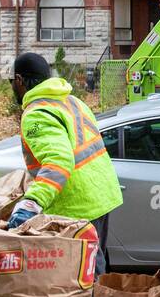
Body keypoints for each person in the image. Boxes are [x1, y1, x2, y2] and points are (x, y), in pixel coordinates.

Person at [7, 53, 122, 273]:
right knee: (94, 261)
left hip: (77, 202)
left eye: (12, 81)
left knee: (83, 272)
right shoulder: (71, 100)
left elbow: (59, 160)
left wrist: (32, 202)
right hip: (102, 192)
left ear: (20, 80)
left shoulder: (37, 114)